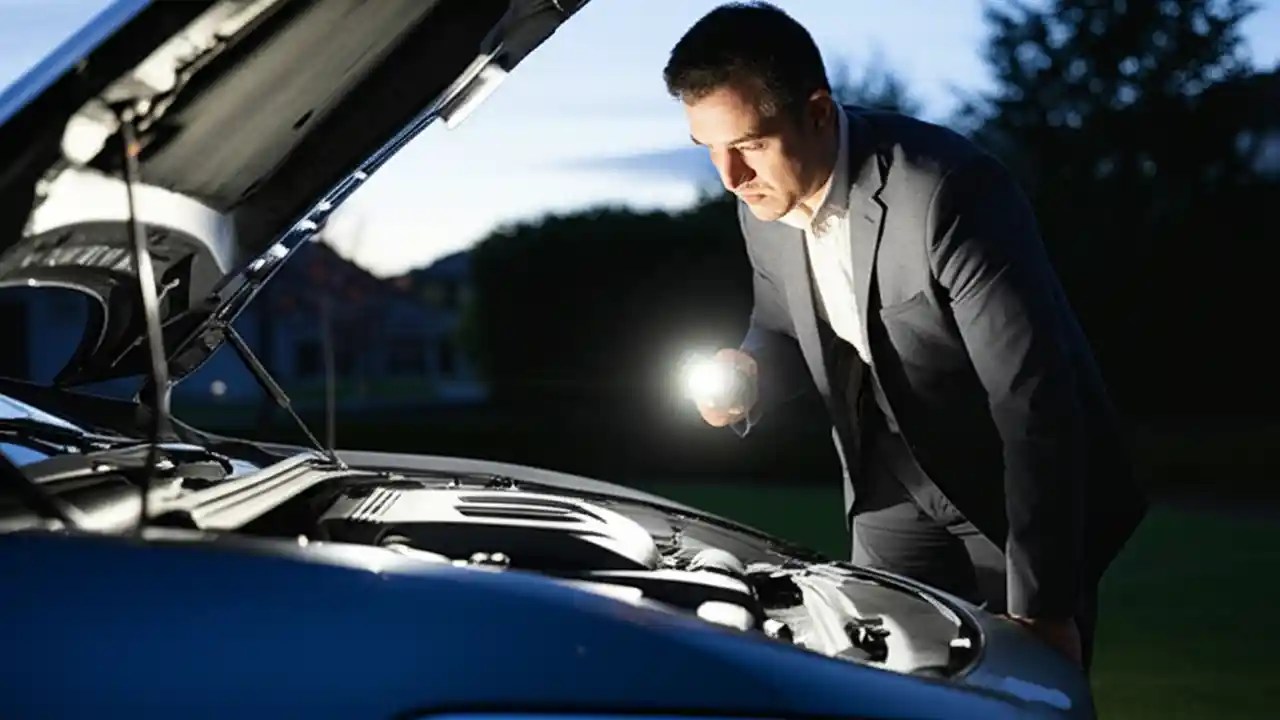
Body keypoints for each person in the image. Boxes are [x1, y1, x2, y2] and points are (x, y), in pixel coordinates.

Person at [664, 2, 1146, 672]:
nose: (730, 179)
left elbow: (1033, 397)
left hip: (1005, 499)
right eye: (709, 150)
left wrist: (1045, 606)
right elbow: (780, 325)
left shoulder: (948, 190)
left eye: (748, 146)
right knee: (879, 689)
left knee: (1015, 701)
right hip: (886, 494)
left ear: (819, 113)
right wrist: (749, 372)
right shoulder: (762, 204)